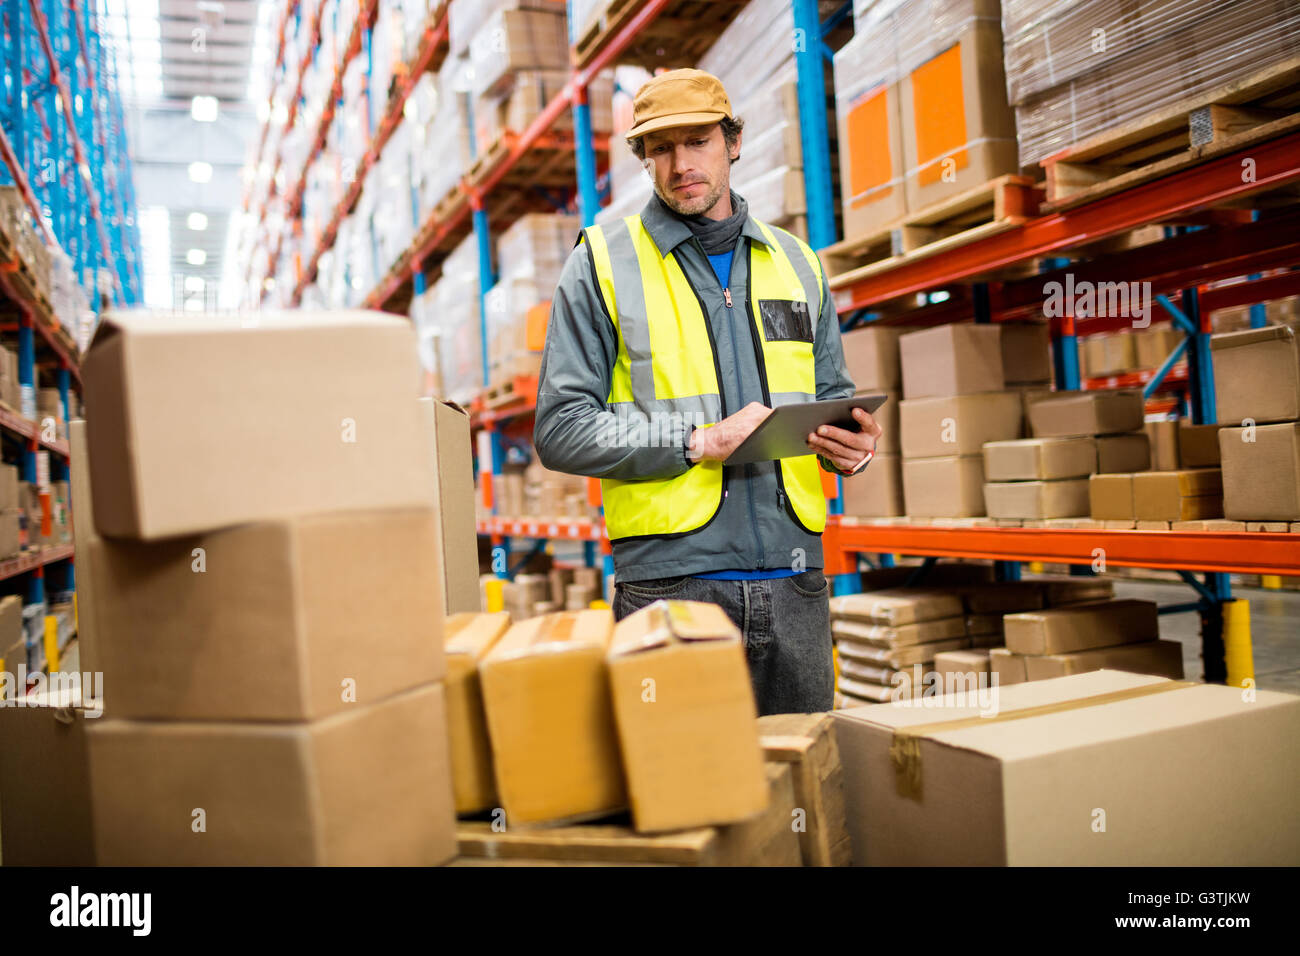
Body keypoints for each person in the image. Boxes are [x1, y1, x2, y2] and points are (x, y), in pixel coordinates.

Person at [534, 68, 880, 714]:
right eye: (660, 148)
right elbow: (560, 428)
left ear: (734, 141)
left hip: (795, 580)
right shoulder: (602, 264)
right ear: (641, 158)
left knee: (805, 788)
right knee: (686, 795)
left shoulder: (797, 262)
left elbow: (833, 396)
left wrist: (853, 446)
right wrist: (695, 441)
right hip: (670, 588)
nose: (681, 164)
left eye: (697, 141)